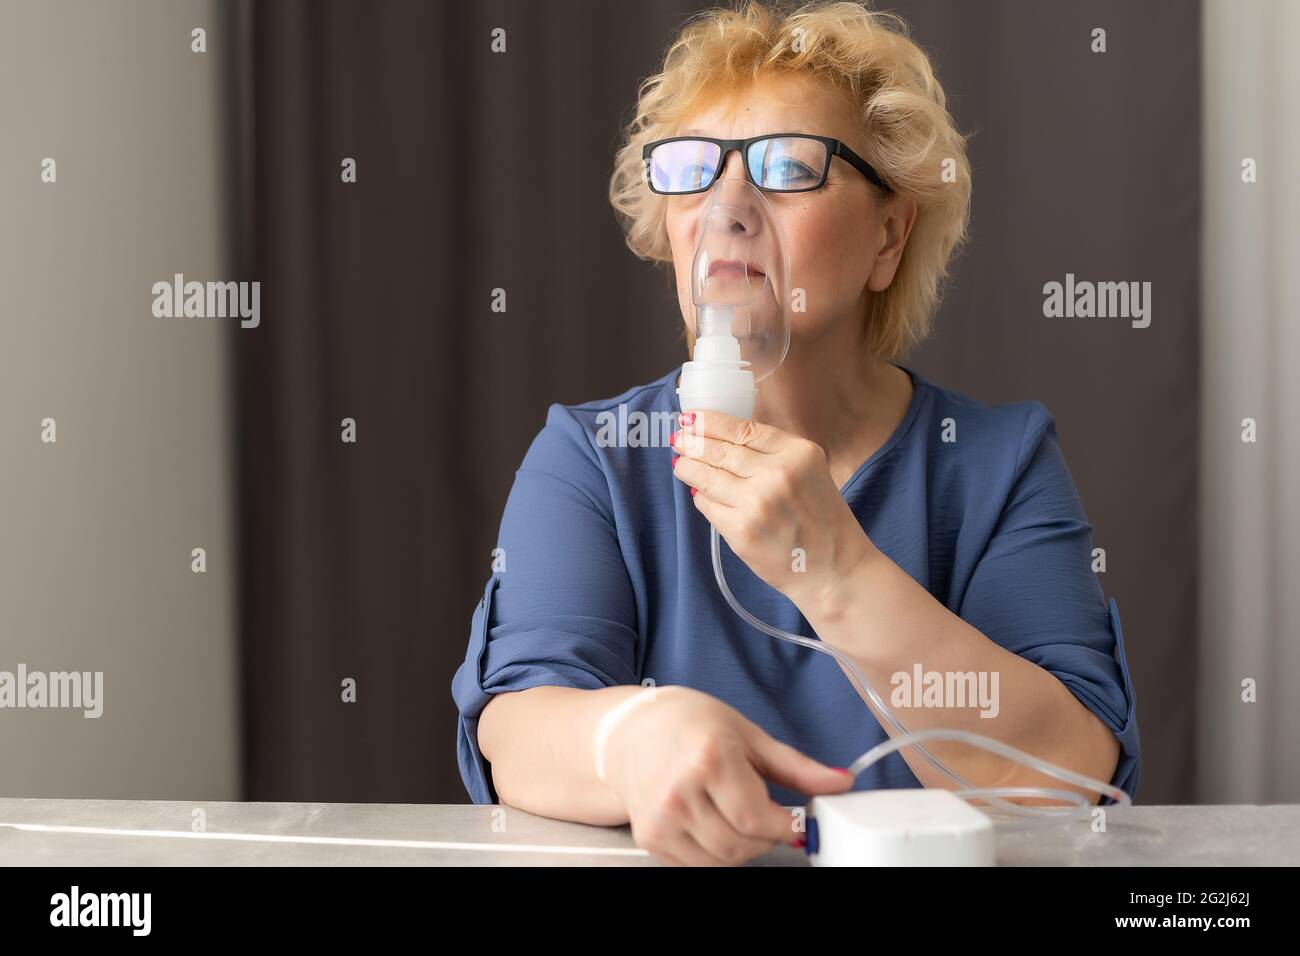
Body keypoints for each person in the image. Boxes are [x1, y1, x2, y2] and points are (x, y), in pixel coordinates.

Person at [451, 0, 1140, 866]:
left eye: (786, 167)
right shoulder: (595, 460)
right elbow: (515, 731)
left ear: (889, 234)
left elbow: (1069, 772)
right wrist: (631, 738)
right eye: (694, 168)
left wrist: (839, 570)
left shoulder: (998, 466)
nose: (726, 207)